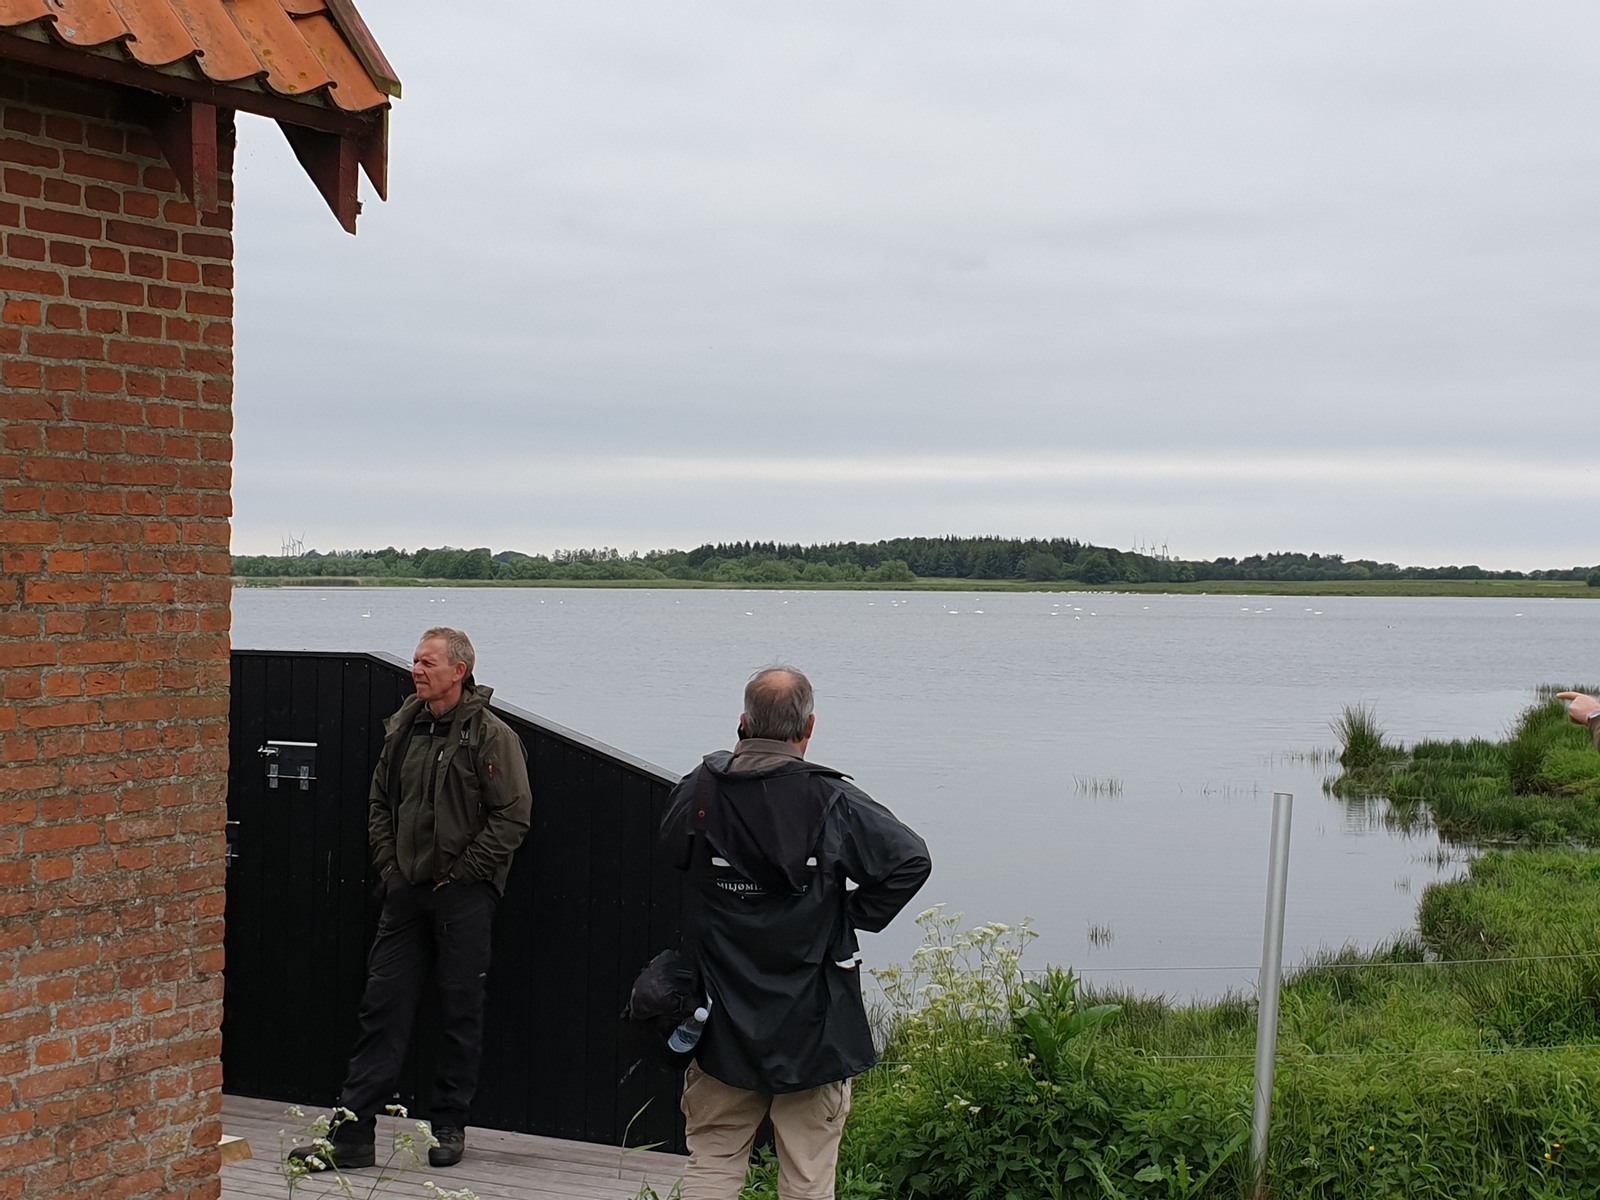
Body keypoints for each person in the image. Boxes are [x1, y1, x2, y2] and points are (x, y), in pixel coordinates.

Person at [660, 666, 931, 1200]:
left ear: (741, 723)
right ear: (809, 728)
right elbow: (910, 860)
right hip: (814, 1022)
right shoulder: (833, 801)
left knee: (712, 1163)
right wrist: (847, 915)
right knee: (807, 1177)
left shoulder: (699, 789)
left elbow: (672, 852)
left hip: (718, 1017)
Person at [292, 628, 532, 1171]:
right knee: (382, 1010)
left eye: (427, 663)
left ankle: (449, 1126)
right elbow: (380, 800)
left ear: (460, 670)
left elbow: (513, 817)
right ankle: (352, 1137)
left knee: (458, 1012)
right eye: (415, 662)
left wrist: (463, 873)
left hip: (464, 897)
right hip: (405, 893)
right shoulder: (404, 727)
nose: (416, 671)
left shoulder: (491, 736)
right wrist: (389, 867)